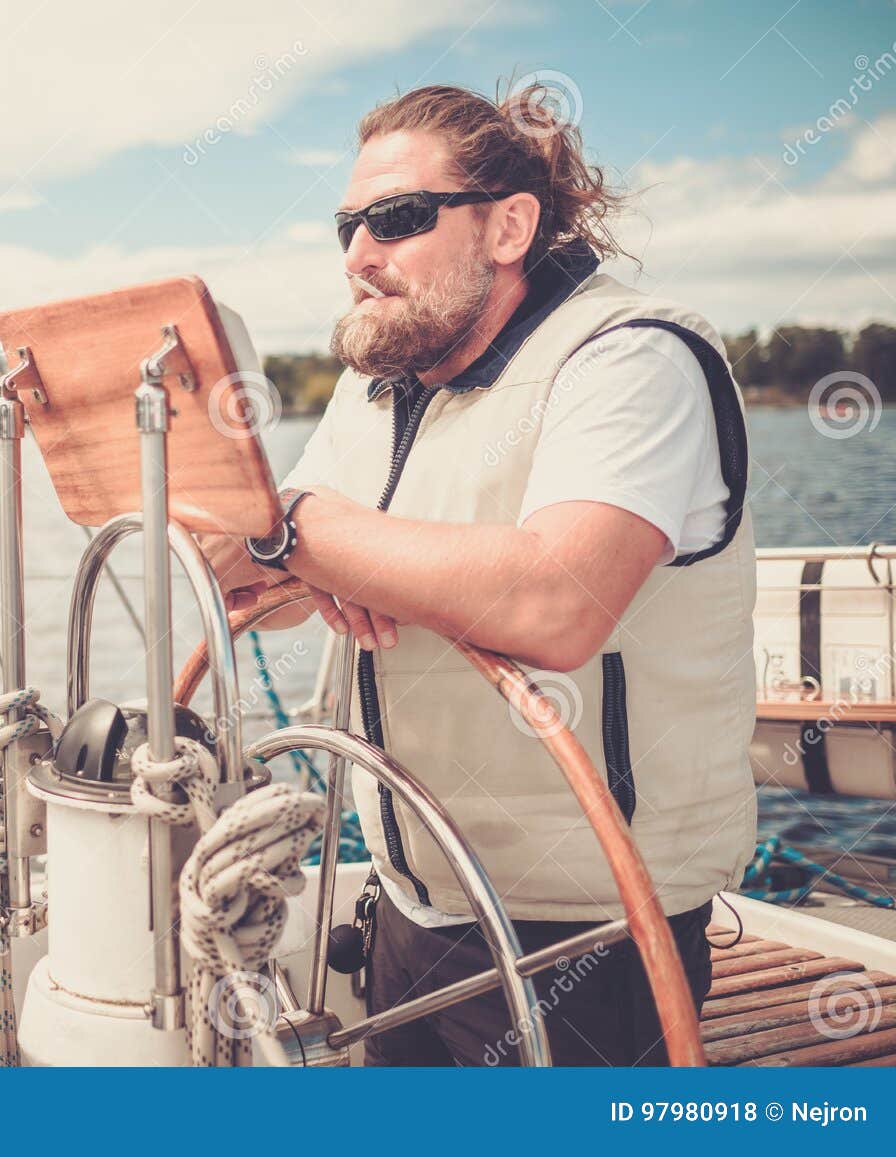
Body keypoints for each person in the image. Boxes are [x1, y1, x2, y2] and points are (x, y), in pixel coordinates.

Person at [207, 82, 755, 1065]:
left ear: (506, 226)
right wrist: (288, 553)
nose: (356, 257)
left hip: (590, 929)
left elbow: (555, 599)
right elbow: (278, 580)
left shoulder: (632, 359)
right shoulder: (375, 391)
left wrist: (302, 537)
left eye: (398, 219)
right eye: (346, 225)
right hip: (413, 896)